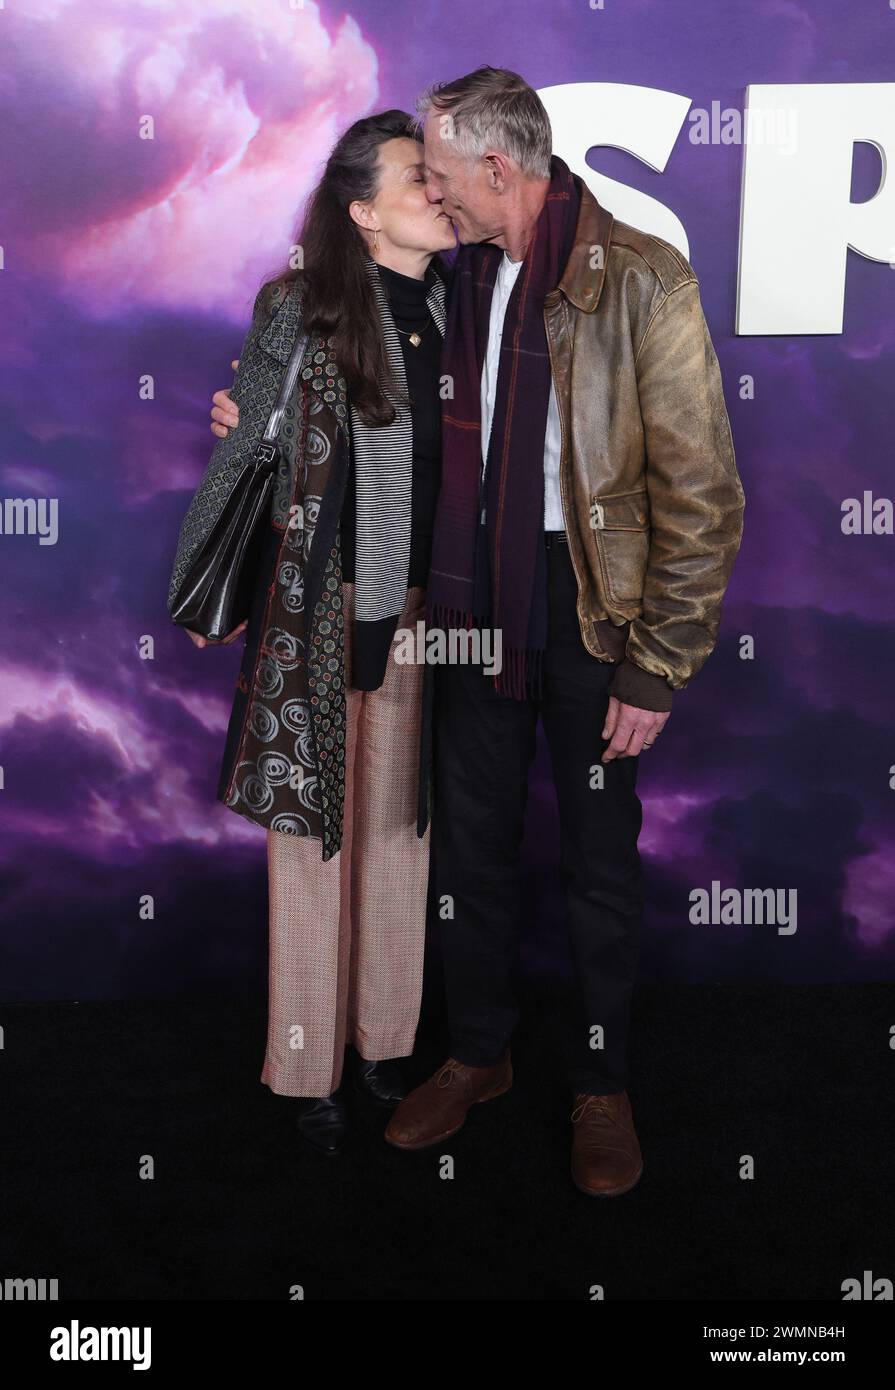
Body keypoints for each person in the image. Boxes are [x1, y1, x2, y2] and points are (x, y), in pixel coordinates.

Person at [378, 68, 745, 1197]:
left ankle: (600, 1082)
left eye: (440, 175)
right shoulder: (456, 274)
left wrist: (658, 662)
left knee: (595, 862)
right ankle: (477, 1054)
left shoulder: (642, 275)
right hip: (469, 597)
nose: (431, 195)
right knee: (471, 848)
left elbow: (701, 494)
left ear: (499, 171)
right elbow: (376, 392)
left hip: (593, 603)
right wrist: (261, 405)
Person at [168, 110, 456, 1156]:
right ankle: (305, 1065)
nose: (438, 189)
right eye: (416, 177)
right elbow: (246, 440)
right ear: (361, 209)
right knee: (309, 832)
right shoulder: (300, 305)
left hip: (429, 615)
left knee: (397, 831)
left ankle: (382, 1047)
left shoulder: (465, 306)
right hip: (316, 607)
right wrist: (208, 586)